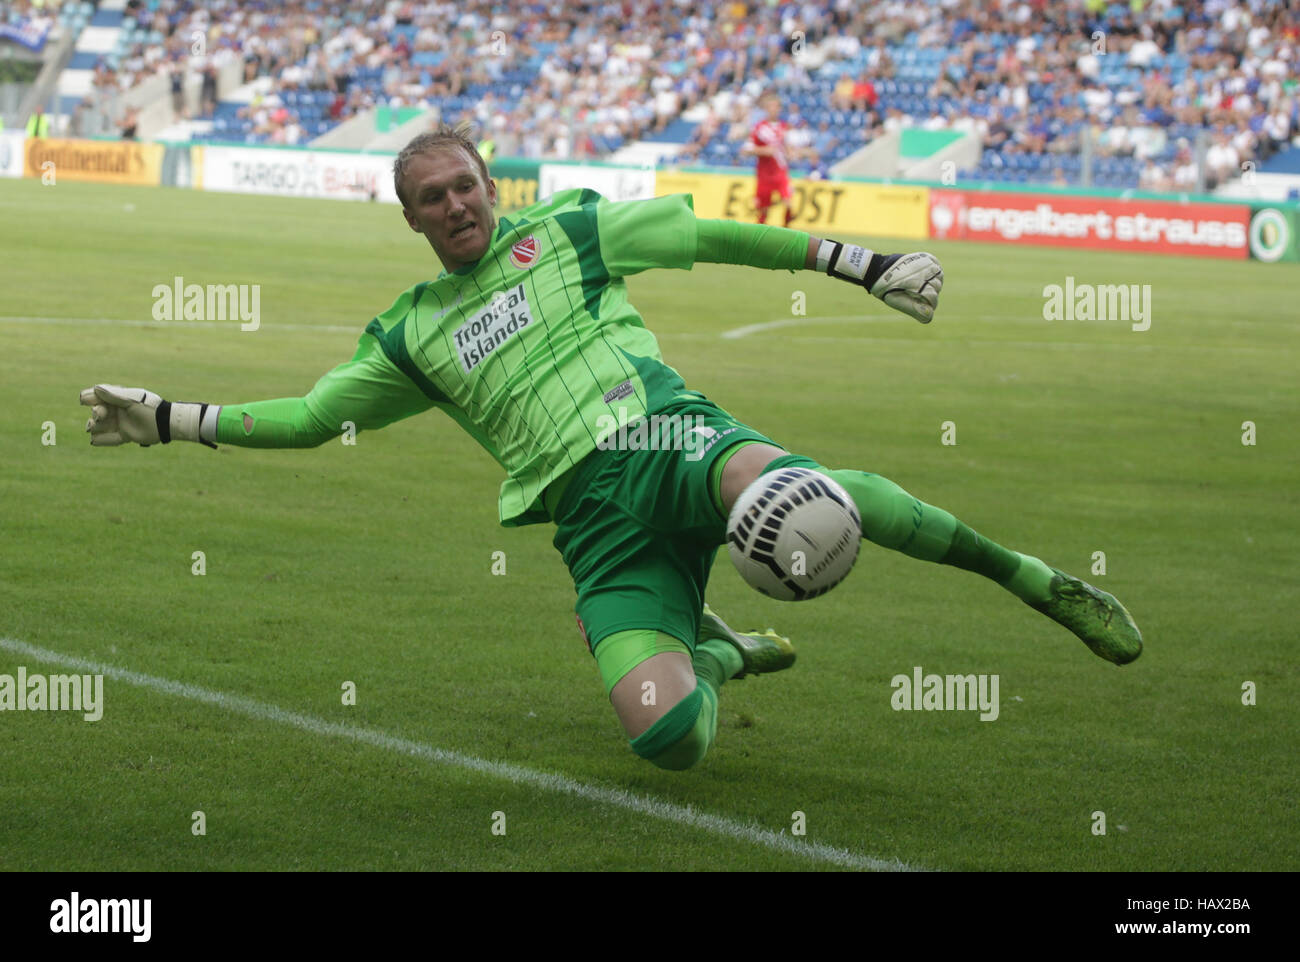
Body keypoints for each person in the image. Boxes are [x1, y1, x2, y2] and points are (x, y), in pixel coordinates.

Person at [81, 124, 1141, 772]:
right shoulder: (409, 333)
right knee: (666, 738)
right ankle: (719, 648)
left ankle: (1036, 580)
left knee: (802, 495)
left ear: (490, 186)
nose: (452, 205)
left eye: (463, 186)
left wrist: (856, 263)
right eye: (429, 199)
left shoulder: (576, 229)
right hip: (588, 520)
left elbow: (713, 236)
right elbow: (314, 416)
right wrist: (171, 417)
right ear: (409, 221)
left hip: (666, 433)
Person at [741, 91, 794, 225]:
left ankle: (786, 231)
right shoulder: (759, 128)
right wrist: (763, 150)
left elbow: (786, 146)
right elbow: (746, 150)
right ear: (766, 108)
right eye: (770, 106)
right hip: (764, 174)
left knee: (788, 203)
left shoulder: (783, 127)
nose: (773, 109)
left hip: (780, 172)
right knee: (763, 211)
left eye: (776, 106)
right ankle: (759, 239)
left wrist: (791, 153)